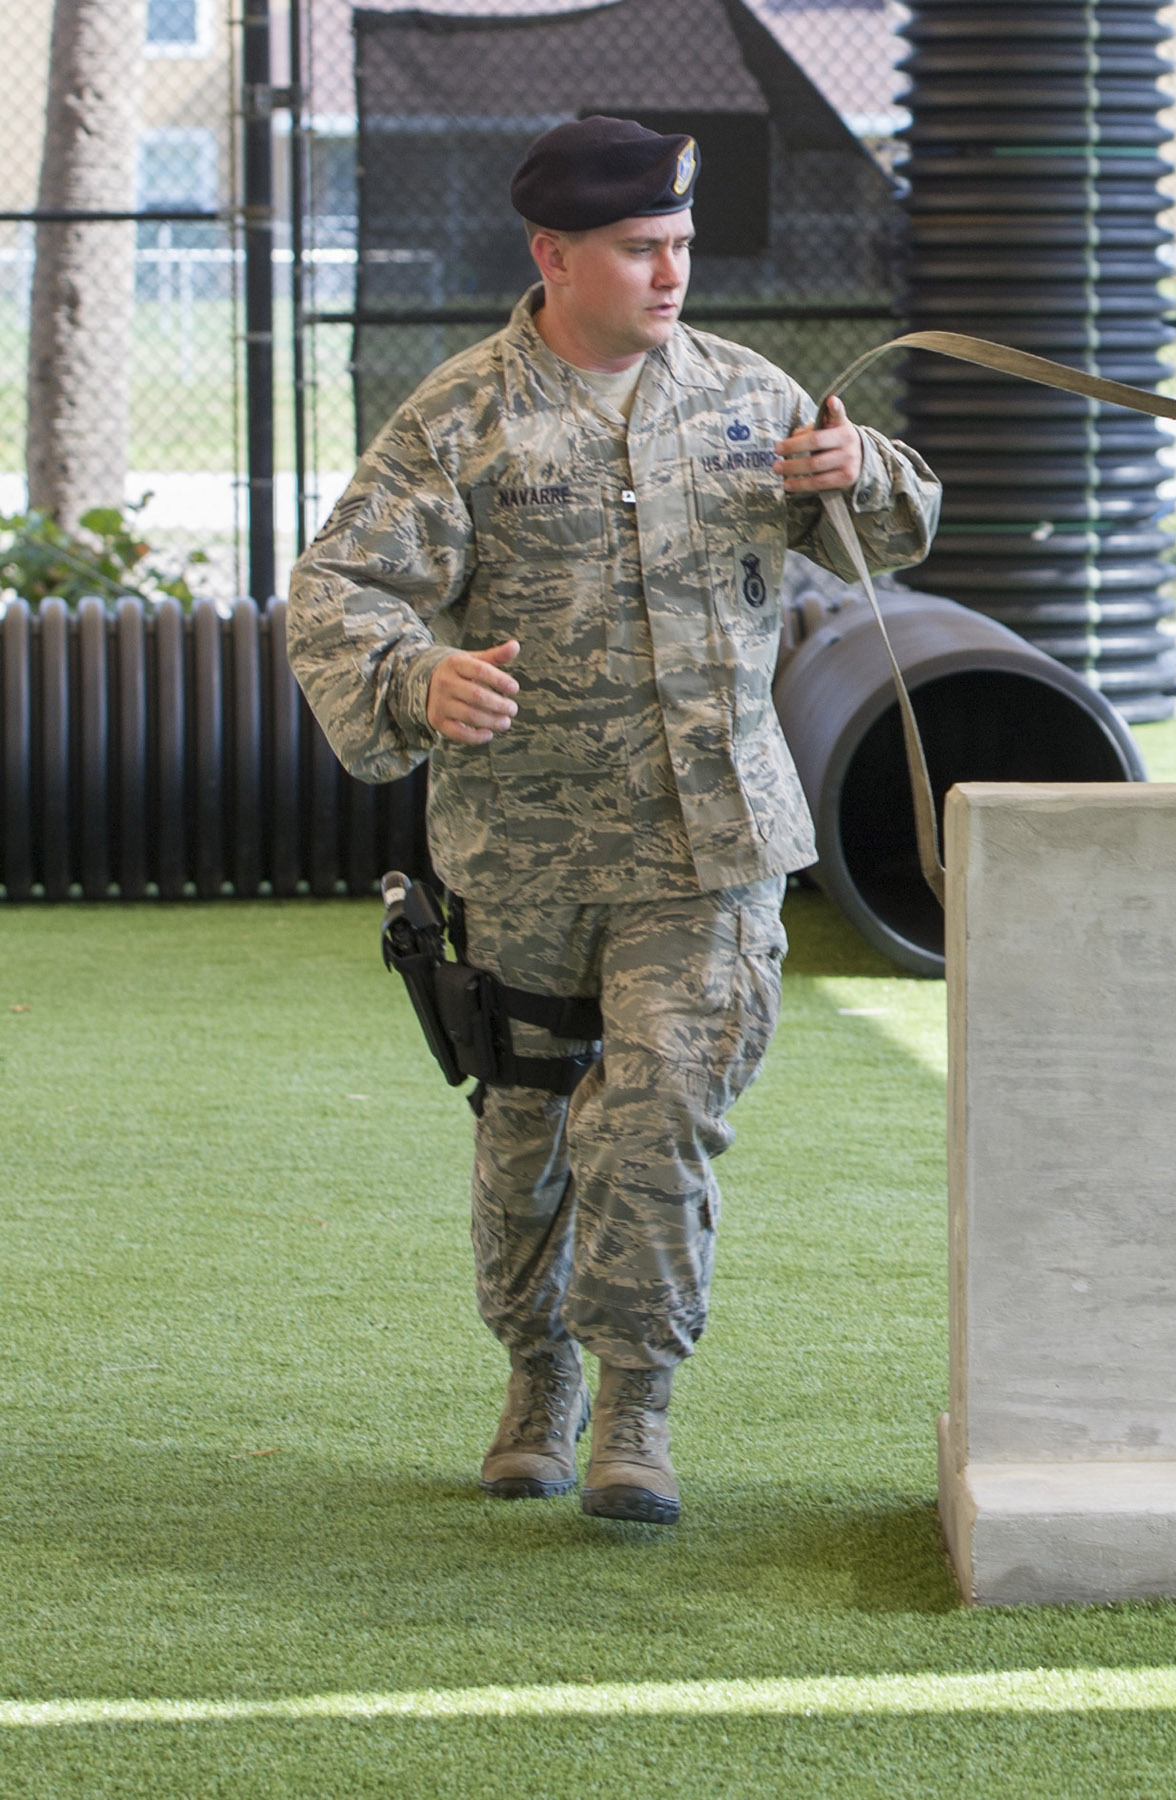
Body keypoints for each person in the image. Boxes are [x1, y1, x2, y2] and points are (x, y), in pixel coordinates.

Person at [288, 117, 939, 1524]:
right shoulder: (461, 420)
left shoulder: (749, 399)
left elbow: (895, 526)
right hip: (527, 853)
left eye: (683, 247)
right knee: (527, 1126)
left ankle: (636, 1404)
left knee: (658, 1116)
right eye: (641, 250)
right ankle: (539, 1381)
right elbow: (336, 592)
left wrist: (862, 475)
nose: (671, 274)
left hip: (711, 850)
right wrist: (420, 674)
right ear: (553, 256)